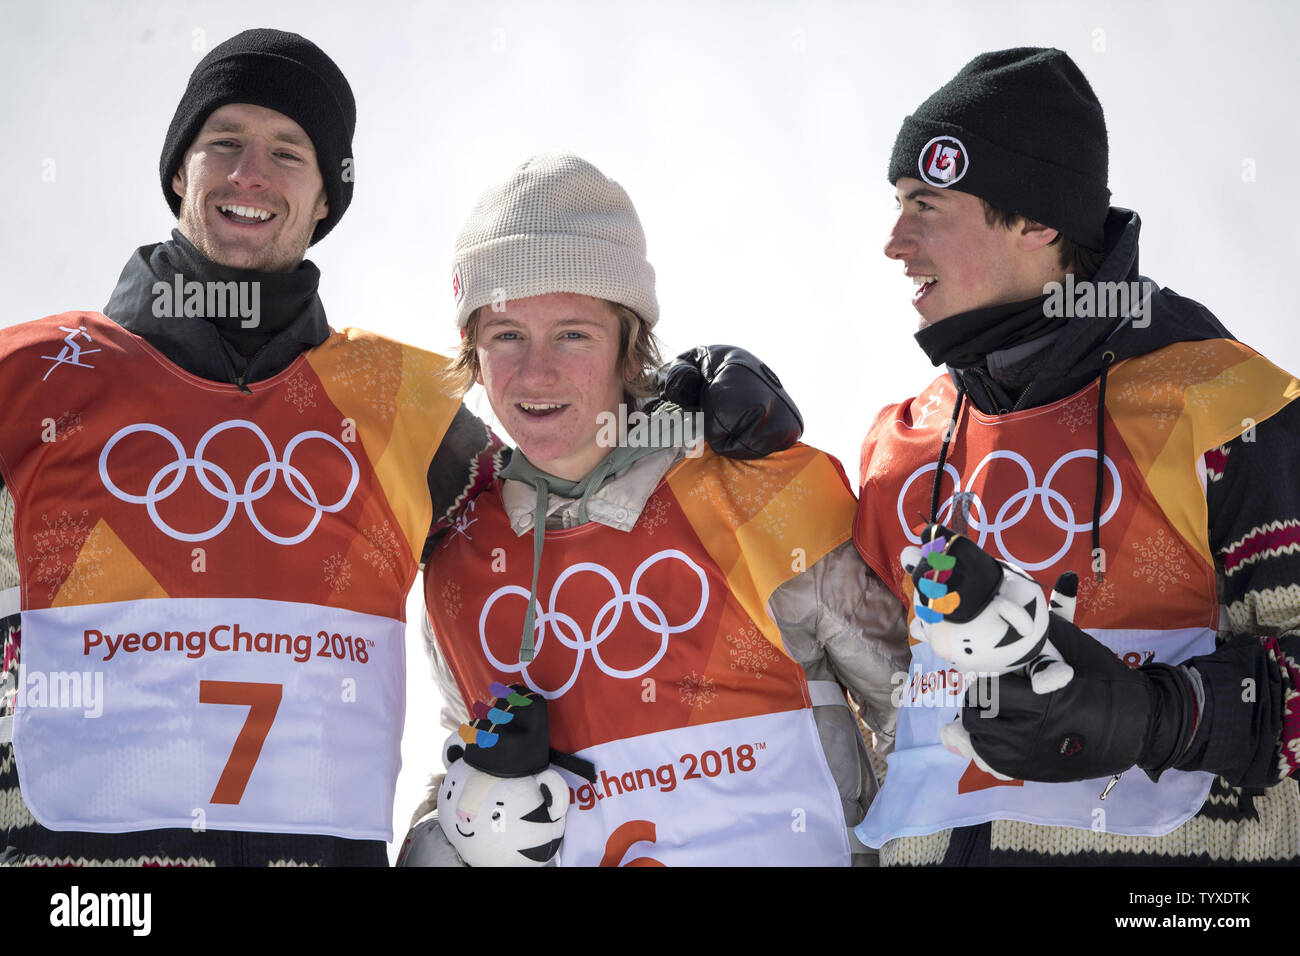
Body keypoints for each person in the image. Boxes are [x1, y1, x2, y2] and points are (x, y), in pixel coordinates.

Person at [0, 30, 788, 867]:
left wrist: (685, 411)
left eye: (288, 152)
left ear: (326, 200)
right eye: (221, 143)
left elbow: (567, 484)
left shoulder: (412, 413)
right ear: (176, 175)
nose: (249, 173)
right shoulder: (31, 380)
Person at [853, 47, 1300, 865]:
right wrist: (675, 435)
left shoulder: (1227, 407)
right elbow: (852, 721)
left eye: (926, 206)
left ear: (1037, 223)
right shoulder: (902, 447)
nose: (893, 242)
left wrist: (1154, 716)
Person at [415, 152, 910, 866]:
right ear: (472, 349)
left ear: (629, 344)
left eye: (573, 334)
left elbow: (920, 721)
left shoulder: (763, 494)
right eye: (506, 336)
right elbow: (461, 804)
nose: (536, 372)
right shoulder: (456, 556)